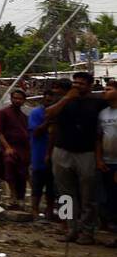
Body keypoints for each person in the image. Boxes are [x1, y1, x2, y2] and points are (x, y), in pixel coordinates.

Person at [45, 71, 107, 244]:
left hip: (87, 153)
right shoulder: (63, 101)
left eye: (81, 83)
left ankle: (87, 232)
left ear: (89, 85)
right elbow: (48, 114)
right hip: (62, 150)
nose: (77, 86)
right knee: (65, 194)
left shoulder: (98, 102)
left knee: (89, 196)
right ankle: (70, 228)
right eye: (75, 82)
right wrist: (67, 99)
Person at [28, 81, 65, 221]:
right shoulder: (36, 113)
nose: (50, 101)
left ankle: (52, 213)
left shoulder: (61, 112)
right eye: (48, 98)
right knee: (38, 184)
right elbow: (35, 132)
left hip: (57, 156)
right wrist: (48, 122)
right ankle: (35, 211)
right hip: (39, 154)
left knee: (53, 187)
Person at [0, 88, 31, 208]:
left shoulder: (24, 117)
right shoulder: (3, 113)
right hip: (9, 147)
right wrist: (7, 147)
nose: (17, 101)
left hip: (23, 149)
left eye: (20, 99)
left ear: (24, 100)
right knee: (9, 167)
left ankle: (20, 198)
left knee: (22, 173)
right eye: (15, 98)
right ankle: (12, 195)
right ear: (11, 98)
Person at [98, 79, 117, 233]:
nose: (105, 92)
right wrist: (99, 159)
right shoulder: (103, 113)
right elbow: (98, 138)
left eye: (109, 89)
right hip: (106, 162)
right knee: (109, 197)